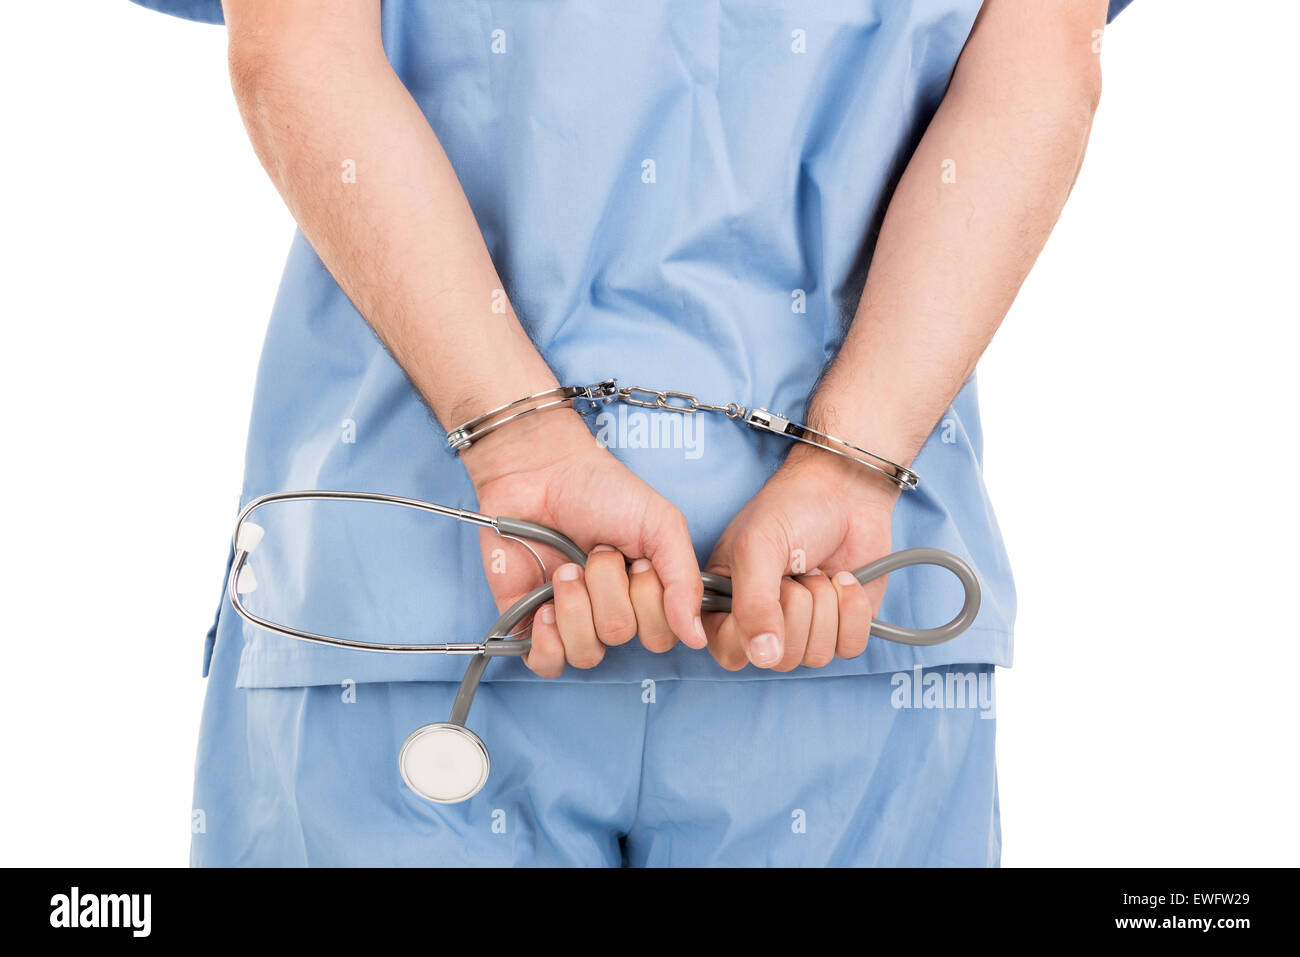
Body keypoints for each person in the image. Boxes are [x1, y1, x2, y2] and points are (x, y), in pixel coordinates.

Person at [132, 0, 1131, 866]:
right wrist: (851, 467)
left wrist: (516, 442)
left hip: (411, 594)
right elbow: (1040, 71)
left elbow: (298, 50)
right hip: (845, 607)